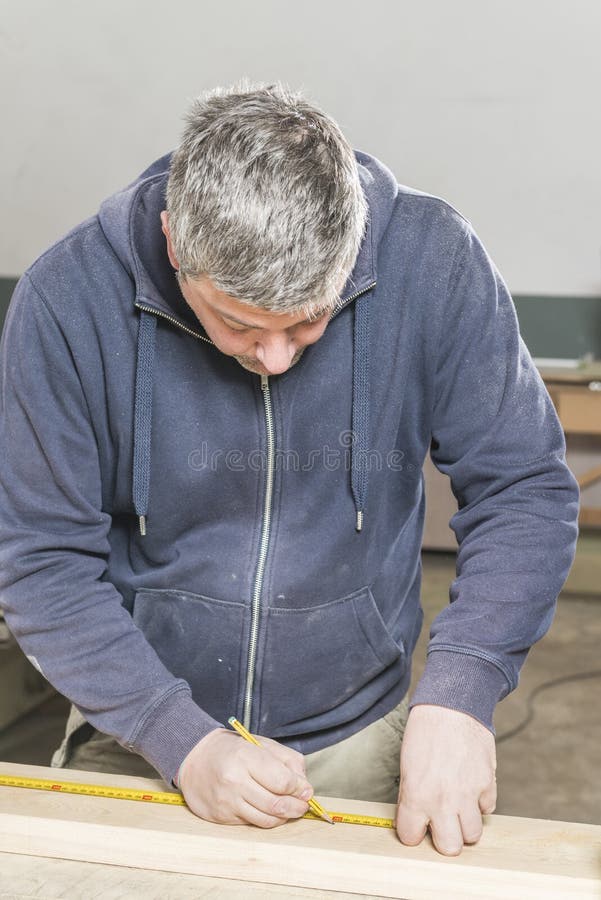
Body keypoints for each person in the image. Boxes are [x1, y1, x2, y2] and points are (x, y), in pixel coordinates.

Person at [0, 82, 579, 857]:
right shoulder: (67, 300)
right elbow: (39, 560)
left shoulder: (433, 261)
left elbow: (522, 489)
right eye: (238, 324)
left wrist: (461, 693)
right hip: (137, 720)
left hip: (359, 724)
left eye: (310, 321)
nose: (273, 358)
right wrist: (180, 739)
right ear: (176, 244)